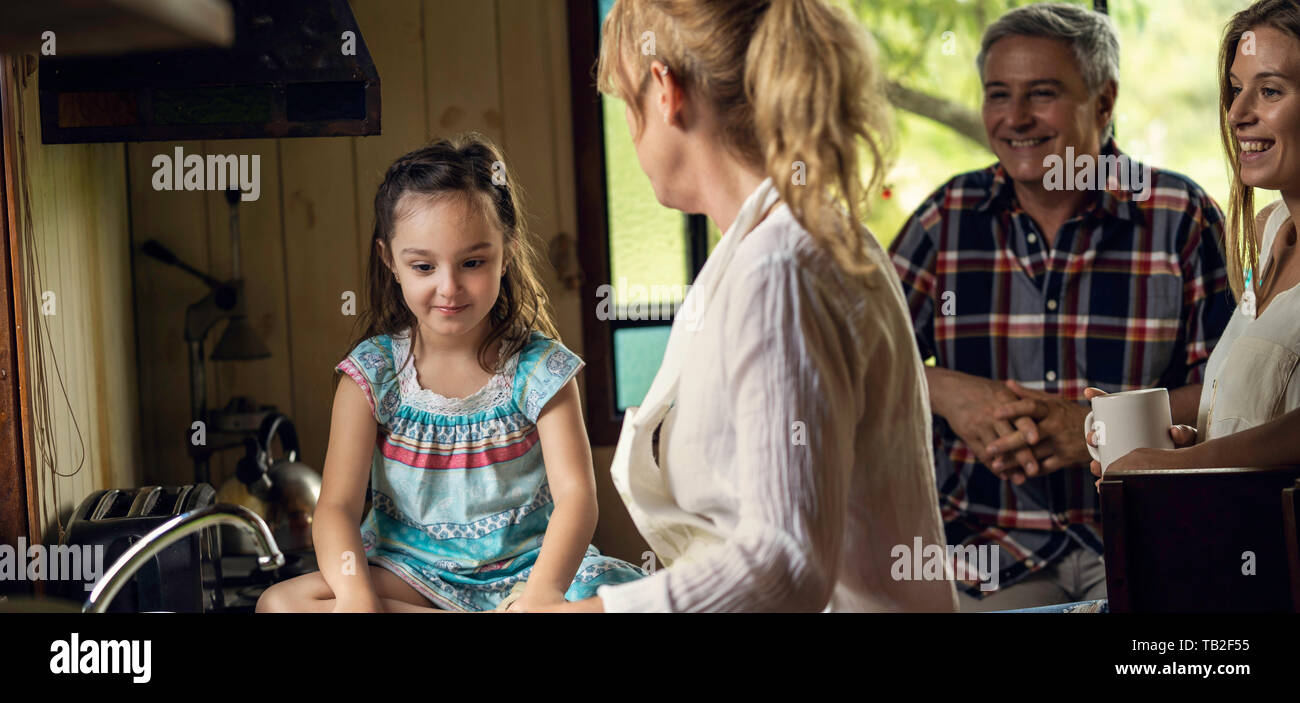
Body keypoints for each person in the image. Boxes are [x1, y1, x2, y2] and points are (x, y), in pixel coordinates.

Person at [516, 0, 957, 613]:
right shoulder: (776, 244)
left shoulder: (782, 267)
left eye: (627, 104)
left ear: (666, 91)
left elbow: (784, 564)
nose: (631, 128)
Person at [888, 2, 1235, 612]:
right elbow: (852, 367)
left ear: (1103, 102)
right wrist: (942, 388)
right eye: (998, 95)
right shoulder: (944, 219)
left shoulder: (1181, 217)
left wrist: (1095, 431)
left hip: (1146, 541)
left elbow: (1231, 397)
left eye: (1041, 94)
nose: (1015, 118)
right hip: (983, 555)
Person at [256, 134, 645, 613]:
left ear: (506, 254)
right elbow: (336, 507)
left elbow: (576, 497)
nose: (449, 287)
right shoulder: (371, 374)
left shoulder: (542, 369)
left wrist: (542, 594)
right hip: (410, 575)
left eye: (473, 262)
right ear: (390, 262)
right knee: (282, 604)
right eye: (423, 266)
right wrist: (357, 597)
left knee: (624, 602)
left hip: (532, 571)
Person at [1090, 0, 1300, 481]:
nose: (1236, 113)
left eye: (1269, 90)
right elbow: (1260, 419)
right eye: (1234, 90)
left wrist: (1183, 463)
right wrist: (1180, 438)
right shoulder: (1265, 233)